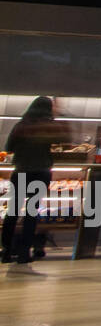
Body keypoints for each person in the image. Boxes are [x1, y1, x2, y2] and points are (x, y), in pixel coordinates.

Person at [1, 96, 59, 268]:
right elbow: (60, 142)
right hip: (41, 173)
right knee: (31, 214)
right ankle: (24, 253)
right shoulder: (48, 126)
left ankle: (6, 251)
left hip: (20, 172)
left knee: (12, 213)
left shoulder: (21, 125)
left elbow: (8, 148)